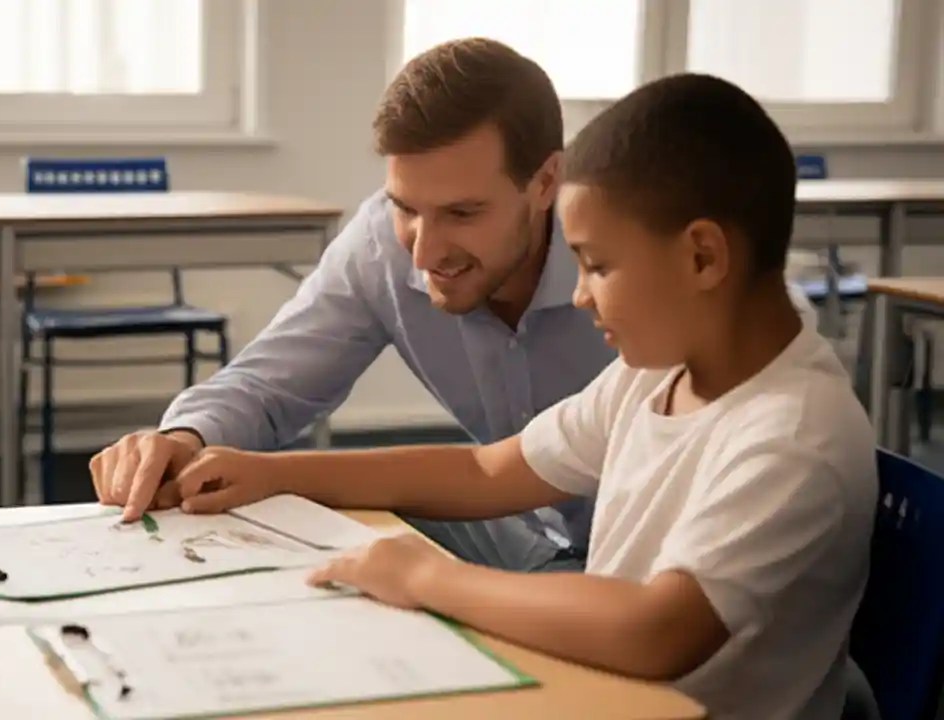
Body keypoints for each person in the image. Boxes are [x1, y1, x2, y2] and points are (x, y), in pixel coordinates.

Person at [156, 74, 878, 720]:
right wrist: (269, 471)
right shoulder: (657, 373)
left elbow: (657, 630)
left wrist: (426, 577)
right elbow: (488, 472)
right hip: (608, 688)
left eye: (597, 266)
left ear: (701, 256)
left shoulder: (793, 431)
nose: (581, 293)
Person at [92, 37, 614, 572]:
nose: (424, 249)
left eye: (462, 213)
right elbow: (269, 383)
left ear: (547, 181)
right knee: (276, 512)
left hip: (638, 565)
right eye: (406, 207)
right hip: (520, 535)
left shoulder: (628, 263)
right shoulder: (380, 246)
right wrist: (185, 437)